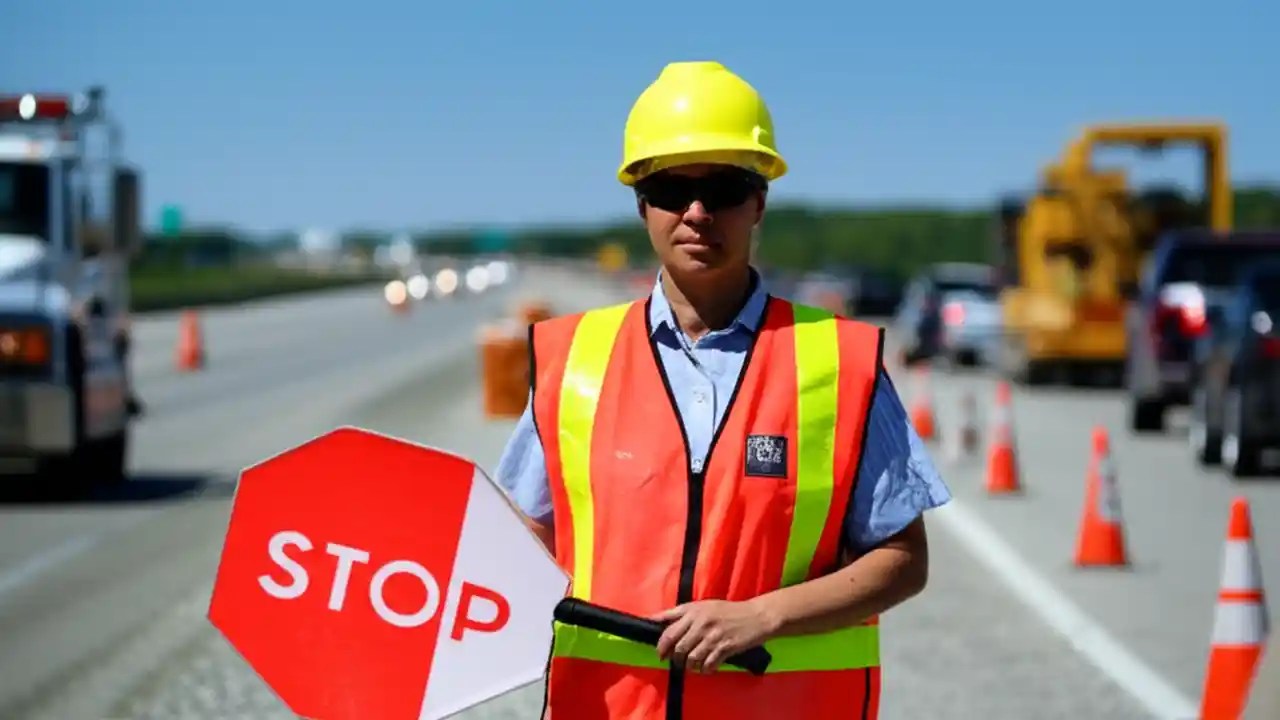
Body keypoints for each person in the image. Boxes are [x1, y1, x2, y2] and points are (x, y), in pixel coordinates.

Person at [495, 60, 952, 720]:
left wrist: (759, 618)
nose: (698, 212)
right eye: (672, 189)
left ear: (760, 201)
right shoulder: (573, 360)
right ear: (642, 205)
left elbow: (903, 560)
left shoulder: (841, 361)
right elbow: (519, 540)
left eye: (726, 188)